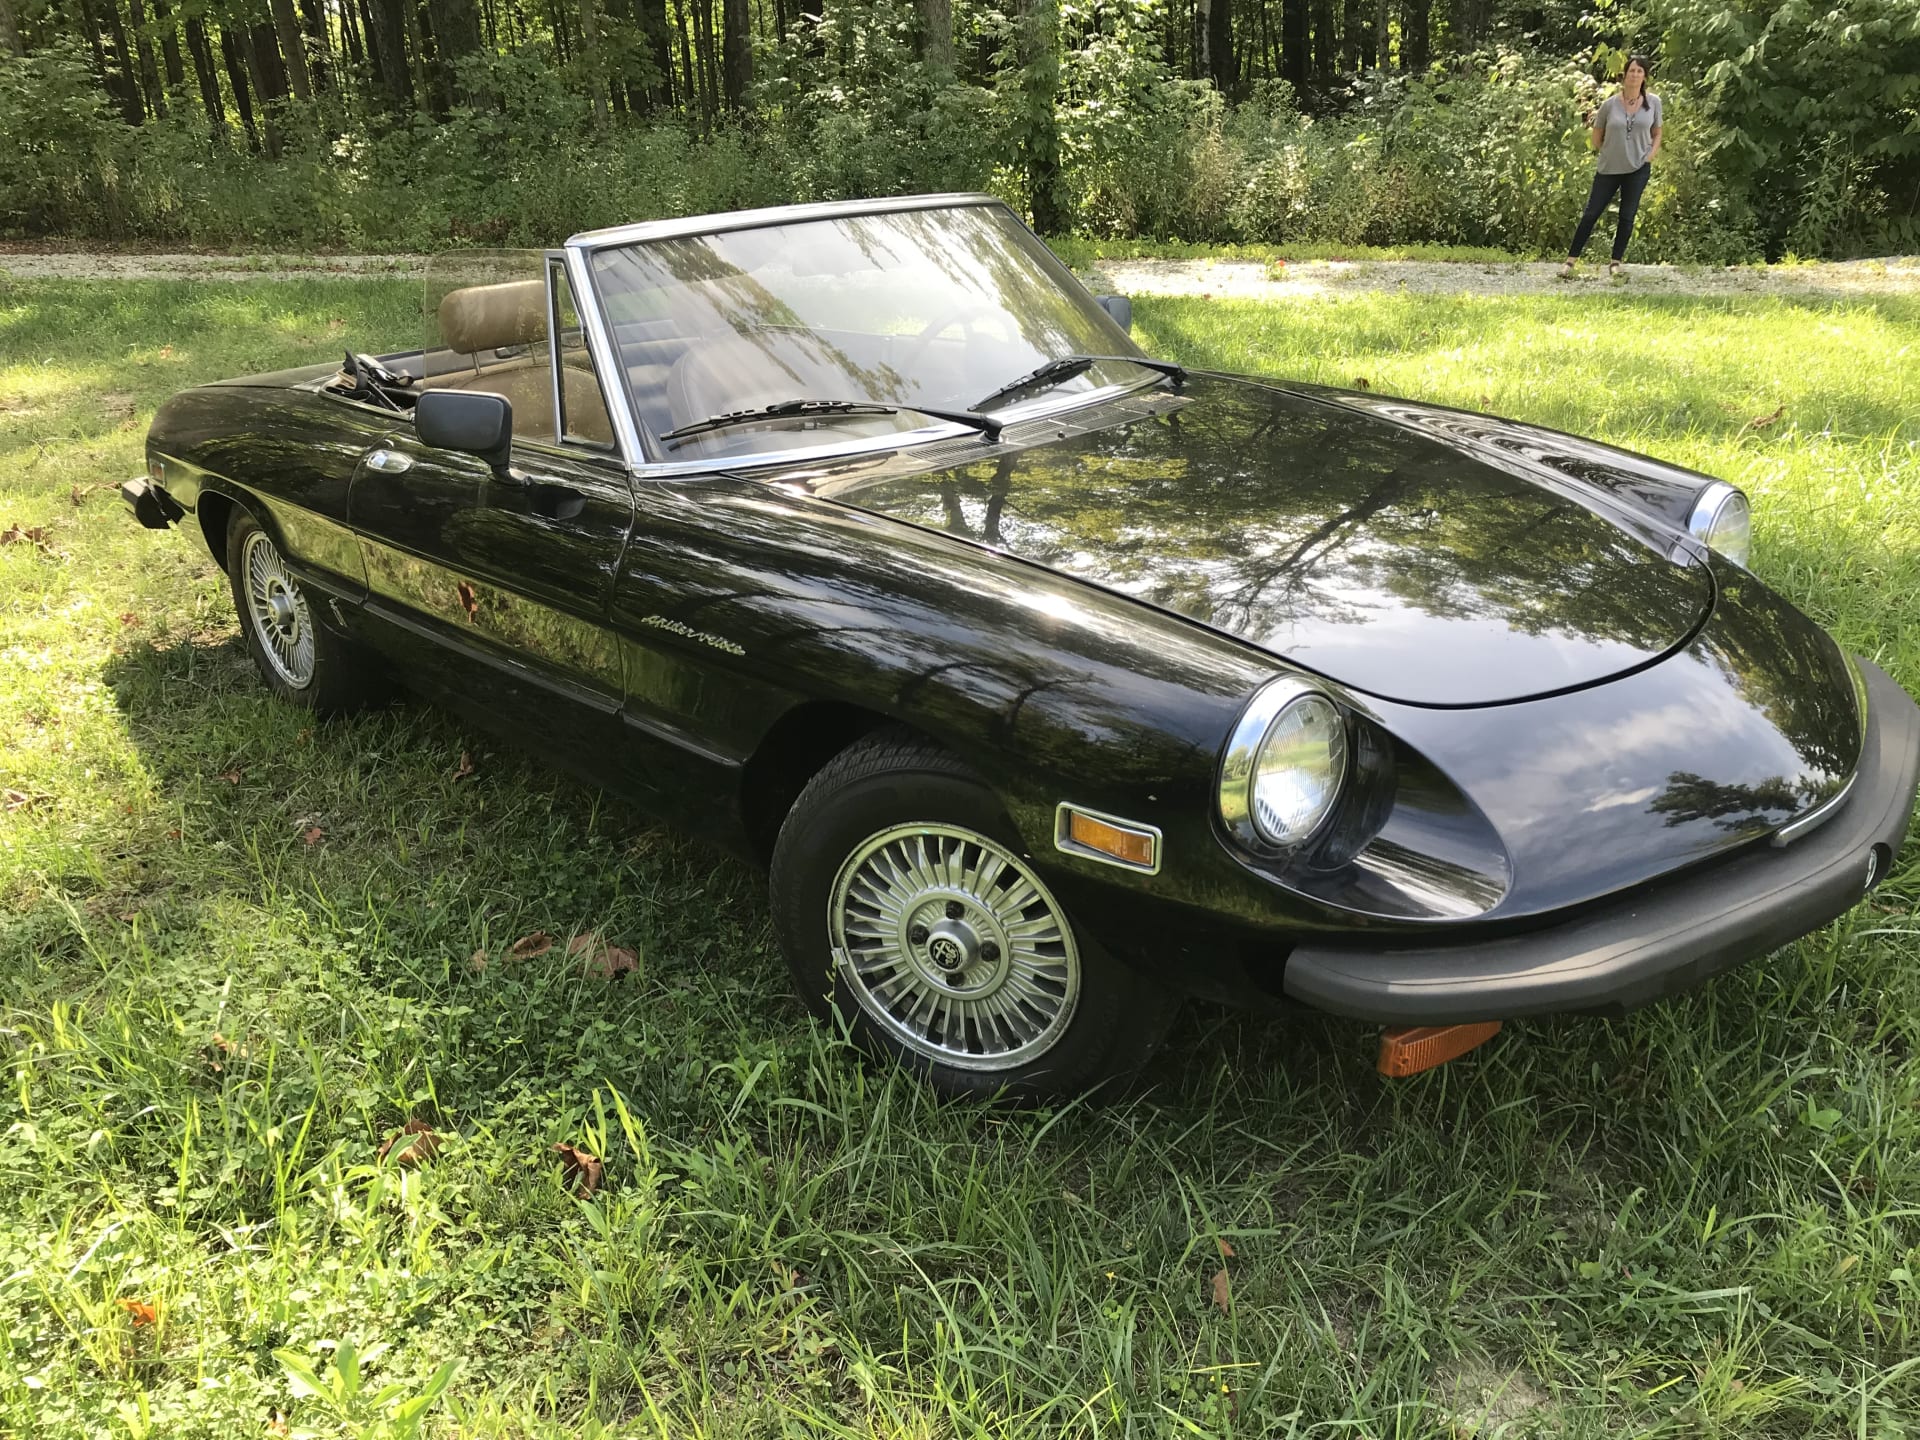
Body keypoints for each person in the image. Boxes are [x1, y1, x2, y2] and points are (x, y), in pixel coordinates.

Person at [1560, 55, 1662, 279]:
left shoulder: (1654, 102)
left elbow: (1657, 133)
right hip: (1609, 168)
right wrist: (1611, 150)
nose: (1635, 75)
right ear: (1624, 75)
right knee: (1591, 213)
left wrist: (1650, 155)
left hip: (1638, 168)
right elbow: (1597, 137)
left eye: (1639, 71)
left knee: (1627, 216)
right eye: (1631, 70)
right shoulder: (1610, 105)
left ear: (1645, 76)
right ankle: (1570, 261)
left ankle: (1616, 262)